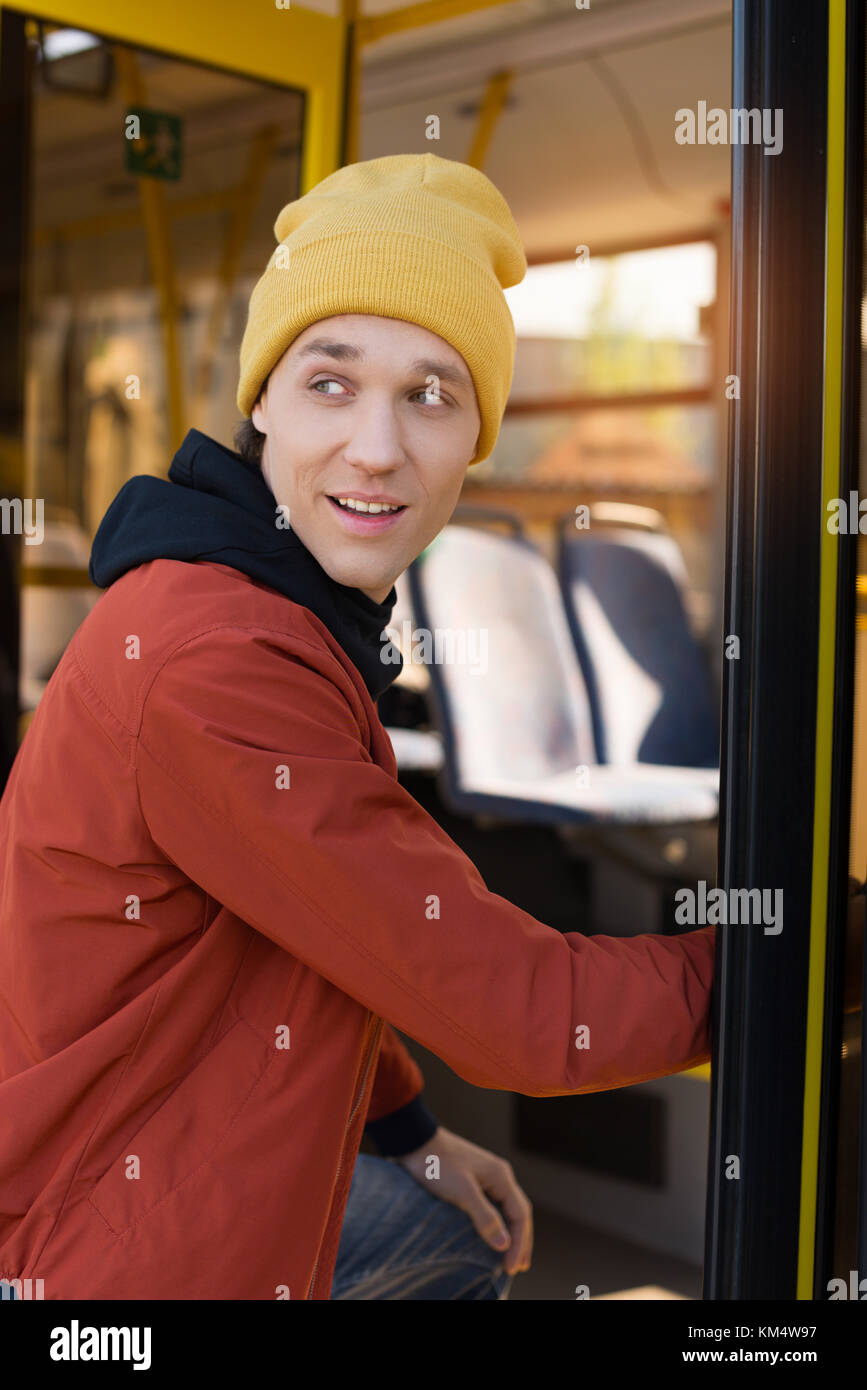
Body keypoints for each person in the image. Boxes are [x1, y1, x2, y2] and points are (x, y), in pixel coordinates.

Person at [0, 153, 716, 1301]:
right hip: (98, 1260)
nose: (378, 447)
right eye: (332, 382)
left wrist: (409, 1132)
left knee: (458, 1235)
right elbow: (523, 1018)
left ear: (477, 433)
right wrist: (798, 961)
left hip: (137, 1166)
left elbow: (304, 932)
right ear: (264, 404)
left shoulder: (265, 608)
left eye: (432, 393)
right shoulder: (219, 659)